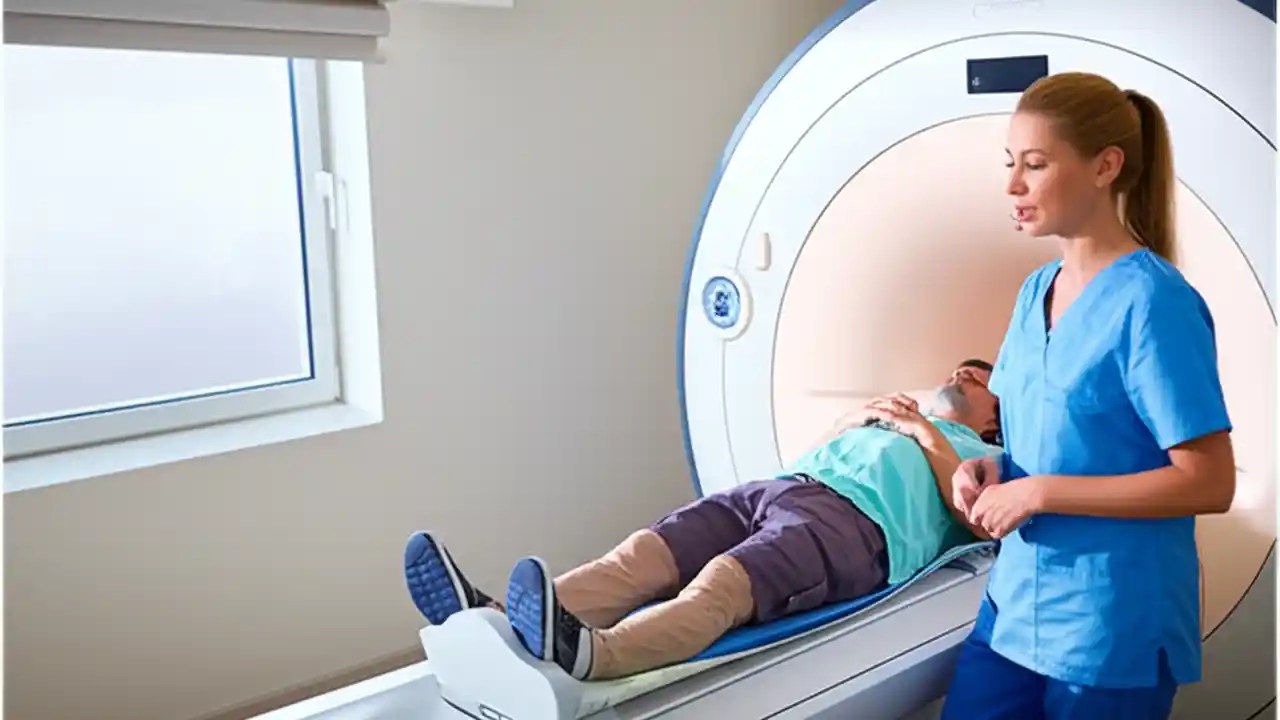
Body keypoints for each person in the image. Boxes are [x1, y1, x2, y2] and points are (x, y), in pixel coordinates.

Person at [403, 360, 1003, 681]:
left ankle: (598, 654)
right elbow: (803, 458)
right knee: (641, 555)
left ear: (993, 422)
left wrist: (925, 431)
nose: (964, 373)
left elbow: (978, 520)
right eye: (960, 368)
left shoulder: (986, 456)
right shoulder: (880, 417)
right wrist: (856, 419)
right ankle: (493, 618)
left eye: (979, 379)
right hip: (780, 489)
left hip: (855, 529)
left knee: (722, 584)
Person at [939, 72, 1236, 720]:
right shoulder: (1033, 289)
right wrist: (994, 469)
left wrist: (1040, 492)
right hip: (1016, 607)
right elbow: (1046, 437)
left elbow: (1210, 482)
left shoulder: (1153, 303)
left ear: (1106, 166)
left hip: (1111, 627)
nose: (1013, 184)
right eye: (1010, 164)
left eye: (1036, 165)